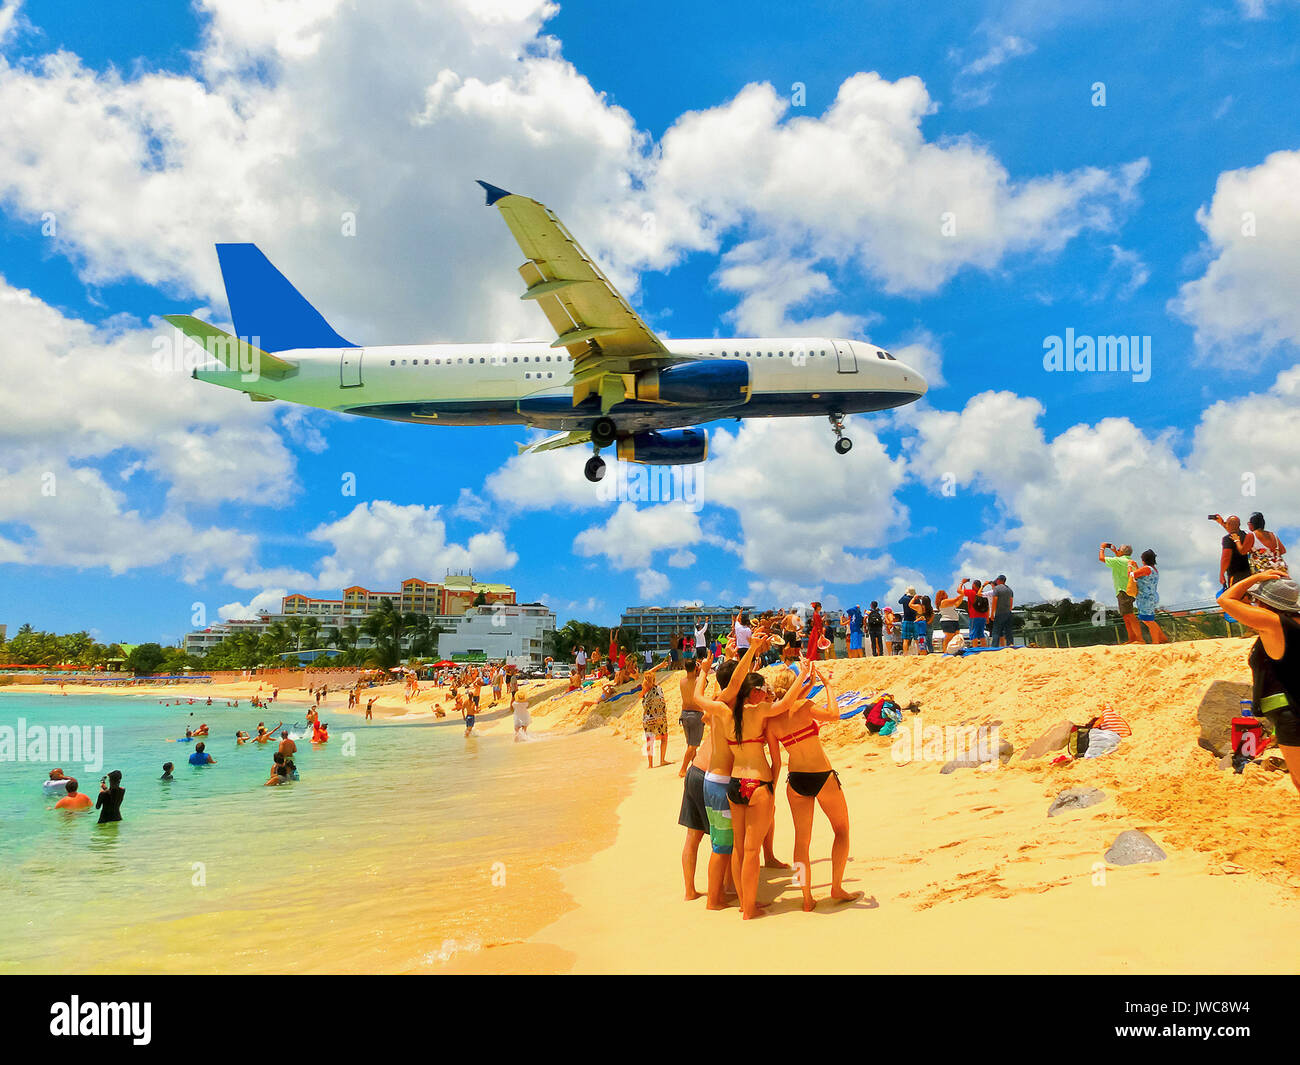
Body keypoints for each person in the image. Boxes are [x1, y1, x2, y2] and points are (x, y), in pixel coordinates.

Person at [766, 665, 863, 910]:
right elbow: (834, 714)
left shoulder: (771, 722)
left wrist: (770, 788)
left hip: (796, 779)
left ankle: (806, 897)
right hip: (822, 775)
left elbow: (776, 761)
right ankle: (837, 886)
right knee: (841, 830)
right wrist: (828, 686)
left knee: (801, 841)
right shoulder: (806, 707)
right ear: (795, 688)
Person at [1218, 571, 1300, 793]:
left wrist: (1255, 578)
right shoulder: (1291, 624)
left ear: (1267, 603)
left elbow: (1225, 600)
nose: (1252, 604)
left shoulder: (1274, 623)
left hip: (1291, 715)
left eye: (1256, 600)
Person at [1099, 543, 1143, 644]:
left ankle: (1139, 639)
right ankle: (1132, 638)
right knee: (1126, 616)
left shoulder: (1118, 561)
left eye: (1119, 549)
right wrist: (1116, 552)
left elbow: (1101, 558)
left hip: (1123, 591)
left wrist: (1102, 547)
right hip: (1130, 590)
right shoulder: (1130, 561)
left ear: (1122, 551)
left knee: (1130, 615)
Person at [1129, 549, 1167, 644]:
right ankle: (1162, 638)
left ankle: (1156, 641)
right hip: (1151, 596)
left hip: (1145, 598)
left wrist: (1129, 566)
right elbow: (1142, 574)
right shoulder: (1153, 569)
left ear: (1143, 560)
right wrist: (1136, 567)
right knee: (1148, 620)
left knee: (1148, 621)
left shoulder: (1146, 569)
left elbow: (1131, 575)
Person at [676, 657, 705, 777]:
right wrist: (701, 670)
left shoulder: (682, 681)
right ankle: (683, 769)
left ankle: (696, 766)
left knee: (690, 744)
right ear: (695, 668)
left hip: (684, 714)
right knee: (694, 745)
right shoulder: (698, 681)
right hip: (696, 713)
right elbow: (704, 684)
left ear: (684, 668)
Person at [640, 660, 670, 768]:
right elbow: (648, 673)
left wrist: (659, 666)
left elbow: (647, 673)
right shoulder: (658, 688)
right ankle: (662, 760)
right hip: (660, 718)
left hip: (648, 719)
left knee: (650, 740)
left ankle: (650, 764)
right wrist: (660, 666)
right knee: (664, 737)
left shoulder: (645, 690)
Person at [1215, 514, 1255, 590]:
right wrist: (1222, 523)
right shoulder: (1247, 535)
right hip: (1249, 574)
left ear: (1228, 524)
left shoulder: (1227, 539)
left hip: (1235, 574)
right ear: (1239, 525)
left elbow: (1226, 558)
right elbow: (1234, 530)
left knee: (1235, 598)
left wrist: (1221, 574)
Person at [958, 577, 988, 647]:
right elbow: (987, 606)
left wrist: (962, 583)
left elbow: (959, 591)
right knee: (981, 634)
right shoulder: (983, 594)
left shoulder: (971, 592)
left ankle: (975, 649)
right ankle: (984, 649)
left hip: (974, 616)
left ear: (974, 585)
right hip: (983, 616)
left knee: (973, 634)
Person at [988, 575, 1014, 647]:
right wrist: (1009, 610)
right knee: (1008, 631)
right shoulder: (1010, 590)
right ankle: (1010, 645)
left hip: (999, 612)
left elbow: (994, 601)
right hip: (1008, 613)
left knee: (996, 631)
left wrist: (992, 613)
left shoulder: (996, 589)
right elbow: (1011, 602)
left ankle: (994, 647)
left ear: (999, 580)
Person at [897, 587, 917, 653]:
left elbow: (899, 601)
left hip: (907, 620)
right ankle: (920, 652)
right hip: (915, 620)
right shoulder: (916, 600)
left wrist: (905, 594)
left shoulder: (905, 599)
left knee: (905, 639)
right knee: (917, 639)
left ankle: (905, 654)